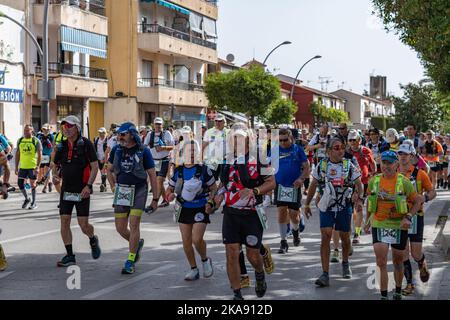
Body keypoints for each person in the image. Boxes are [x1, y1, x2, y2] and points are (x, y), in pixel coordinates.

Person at [214, 123, 276, 300]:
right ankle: (237, 293)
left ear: (248, 139)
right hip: (231, 213)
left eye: (240, 137)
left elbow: (271, 182)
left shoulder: (259, 158)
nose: (237, 141)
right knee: (231, 252)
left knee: (252, 256)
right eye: (234, 138)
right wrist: (216, 197)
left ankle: (259, 273)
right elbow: (224, 184)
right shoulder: (227, 159)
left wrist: (254, 191)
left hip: (252, 214)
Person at [304, 137, 364, 287]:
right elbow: (313, 184)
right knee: (326, 236)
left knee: (345, 238)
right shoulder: (321, 165)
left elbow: (359, 183)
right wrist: (306, 204)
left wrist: (359, 197)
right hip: (327, 207)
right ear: (329, 150)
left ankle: (345, 262)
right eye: (336, 148)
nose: (341, 150)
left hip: (344, 206)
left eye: (342, 147)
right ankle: (325, 274)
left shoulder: (348, 165)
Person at [364, 150, 422, 300]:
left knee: (397, 261)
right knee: (381, 260)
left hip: (398, 225)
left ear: (396, 164)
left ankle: (397, 290)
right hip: (379, 223)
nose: (386, 166)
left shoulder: (404, 182)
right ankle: (383, 295)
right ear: (380, 163)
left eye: (390, 163)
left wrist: (408, 217)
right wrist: (367, 221)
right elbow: (370, 201)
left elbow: (417, 201)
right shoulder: (374, 181)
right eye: (384, 163)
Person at [107, 122, 158, 274]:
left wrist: (155, 199)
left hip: (139, 190)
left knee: (134, 224)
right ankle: (136, 244)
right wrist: (112, 185)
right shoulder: (116, 149)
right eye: (118, 134)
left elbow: (152, 175)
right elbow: (108, 169)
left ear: (132, 134)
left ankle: (130, 260)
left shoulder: (144, 151)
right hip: (121, 191)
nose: (120, 137)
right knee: (120, 228)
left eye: (123, 134)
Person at [52, 116, 101, 267]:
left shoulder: (86, 144)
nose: (66, 128)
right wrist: (55, 175)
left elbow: (94, 166)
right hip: (67, 190)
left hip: (82, 190)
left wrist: (89, 186)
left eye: (69, 126)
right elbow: (55, 164)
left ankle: (92, 238)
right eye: (64, 126)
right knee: (64, 221)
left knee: (83, 225)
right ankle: (70, 255)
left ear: (77, 128)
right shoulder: (61, 146)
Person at [165, 140, 216, 280]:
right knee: (186, 241)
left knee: (196, 239)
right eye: (189, 150)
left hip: (200, 207)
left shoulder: (204, 169)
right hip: (183, 208)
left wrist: (211, 201)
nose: (192, 153)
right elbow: (169, 189)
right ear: (184, 153)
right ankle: (194, 269)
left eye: (194, 150)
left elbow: (213, 188)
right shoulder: (179, 170)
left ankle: (205, 260)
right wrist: (168, 195)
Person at [397, 142, 435, 295]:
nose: (403, 157)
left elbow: (433, 192)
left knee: (415, 253)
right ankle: (410, 283)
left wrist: (424, 198)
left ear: (412, 156)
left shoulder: (420, 174)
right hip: (399, 217)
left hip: (416, 217)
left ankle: (422, 262)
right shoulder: (394, 172)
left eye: (406, 154)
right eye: (400, 154)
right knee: (403, 252)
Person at [275, 128, 310, 253]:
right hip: (280, 186)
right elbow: (269, 168)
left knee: (294, 215)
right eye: (280, 140)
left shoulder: (297, 150)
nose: (283, 143)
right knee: (281, 213)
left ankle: (295, 232)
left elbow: (307, 168)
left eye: (285, 140)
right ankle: (283, 242)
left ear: (291, 139)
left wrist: (301, 179)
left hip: (294, 186)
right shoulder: (275, 150)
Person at [347, 129, 376, 244]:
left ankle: (357, 233)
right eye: (350, 140)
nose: (353, 142)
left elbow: (372, 164)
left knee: (358, 207)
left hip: (363, 183)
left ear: (359, 140)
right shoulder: (346, 152)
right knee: (350, 209)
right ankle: (348, 230)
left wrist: (372, 174)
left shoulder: (365, 150)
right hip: (349, 184)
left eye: (354, 140)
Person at [144, 117, 175, 210]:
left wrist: (163, 148)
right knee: (158, 182)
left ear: (162, 125)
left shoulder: (167, 134)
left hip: (164, 160)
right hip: (153, 161)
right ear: (153, 125)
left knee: (159, 180)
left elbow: (173, 146)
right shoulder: (150, 134)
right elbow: (145, 146)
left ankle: (154, 202)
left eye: (159, 124)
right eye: (156, 124)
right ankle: (165, 200)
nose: (158, 126)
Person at [15, 124, 42, 210]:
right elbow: (17, 154)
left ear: (32, 131)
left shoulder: (36, 140)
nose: (25, 132)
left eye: (27, 130)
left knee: (33, 184)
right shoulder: (20, 140)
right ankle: (27, 199)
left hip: (32, 166)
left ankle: (34, 202)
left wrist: (37, 167)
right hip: (23, 167)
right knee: (20, 184)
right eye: (24, 130)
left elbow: (40, 155)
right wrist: (16, 167)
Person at [202, 114, 229, 181]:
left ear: (224, 122)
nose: (217, 123)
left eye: (220, 121)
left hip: (225, 160)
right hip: (212, 160)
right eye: (216, 121)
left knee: (224, 180)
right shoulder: (209, 132)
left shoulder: (228, 132)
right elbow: (203, 146)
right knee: (212, 179)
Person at [36, 124, 54, 193]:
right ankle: (49, 182)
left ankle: (45, 187)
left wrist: (47, 140)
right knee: (41, 170)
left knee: (47, 170)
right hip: (41, 155)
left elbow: (51, 146)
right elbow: (37, 144)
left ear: (49, 130)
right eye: (44, 129)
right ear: (42, 129)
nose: (45, 131)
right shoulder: (39, 136)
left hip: (48, 155)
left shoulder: (51, 136)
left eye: (47, 129)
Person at [94, 127, 108, 192]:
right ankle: (104, 185)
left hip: (105, 158)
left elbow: (108, 150)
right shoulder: (96, 139)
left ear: (104, 133)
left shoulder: (107, 140)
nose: (100, 134)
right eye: (99, 132)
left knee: (103, 171)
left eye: (102, 133)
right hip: (98, 158)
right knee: (102, 171)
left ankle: (103, 185)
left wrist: (104, 158)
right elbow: (95, 149)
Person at [0, 133, 12, 199]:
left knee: (6, 163)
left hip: (3, 156)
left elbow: (9, 147)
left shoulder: (0, 136)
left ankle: (5, 184)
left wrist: (7, 155)